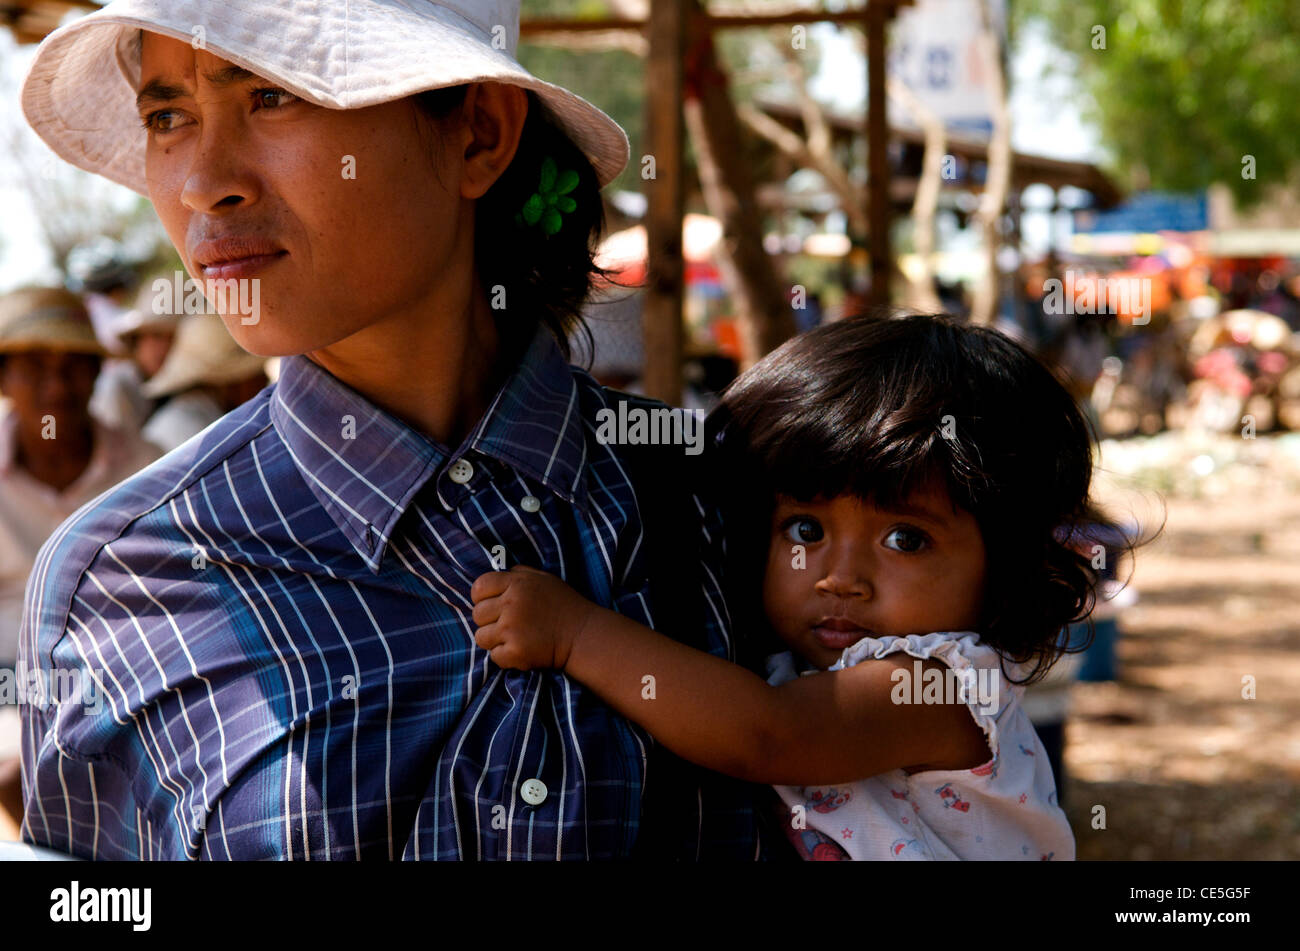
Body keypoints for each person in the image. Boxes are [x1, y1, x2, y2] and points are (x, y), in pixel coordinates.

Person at [16, 0, 759, 860]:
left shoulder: (723, 503)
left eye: (271, 95)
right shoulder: (119, 586)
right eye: (168, 116)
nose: (202, 182)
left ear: (478, 133)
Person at [472, 313, 1133, 860]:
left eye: (905, 538)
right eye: (805, 528)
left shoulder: (939, 683)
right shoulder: (798, 658)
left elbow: (769, 735)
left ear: (1006, 561)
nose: (840, 576)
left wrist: (578, 634)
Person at [0, 287, 161, 838]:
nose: (57, 387)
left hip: (125, 670)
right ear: (3, 381)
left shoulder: (146, 469)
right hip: (11, 680)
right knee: (11, 767)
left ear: (96, 375)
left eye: (74, 367)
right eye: (34, 369)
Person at [140, 314, 268, 452]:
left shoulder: (191, 415)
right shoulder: (198, 428)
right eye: (257, 373)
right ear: (230, 381)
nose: (265, 379)